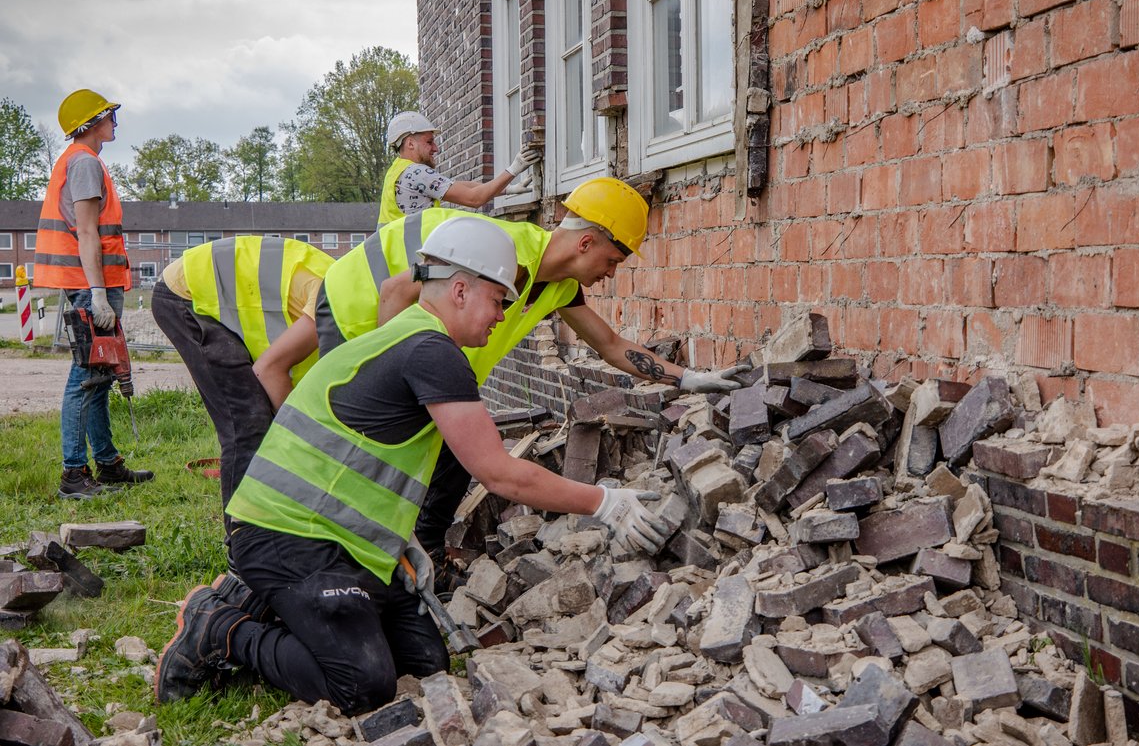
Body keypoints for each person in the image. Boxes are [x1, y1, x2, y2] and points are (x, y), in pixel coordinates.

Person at [153, 217, 669, 713]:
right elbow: (499, 473)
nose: (501, 316)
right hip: (287, 534)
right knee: (363, 684)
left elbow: (370, 463)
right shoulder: (429, 351)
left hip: (343, 539)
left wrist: (404, 538)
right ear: (460, 290)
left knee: (425, 665)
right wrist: (606, 503)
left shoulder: (417, 338)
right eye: (497, 301)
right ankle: (218, 627)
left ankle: (283, 610)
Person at [276, 177, 741, 578]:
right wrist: (393, 373)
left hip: (406, 332)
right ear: (586, 243)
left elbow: (611, 345)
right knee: (369, 443)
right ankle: (328, 552)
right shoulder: (500, 253)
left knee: (455, 453)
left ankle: (424, 556)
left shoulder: (559, 286)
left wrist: (690, 379)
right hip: (358, 307)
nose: (610, 274)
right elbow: (396, 289)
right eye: (612, 260)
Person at [150, 235, 334, 534]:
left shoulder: (347, 296)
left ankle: (270, 522)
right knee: (248, 421)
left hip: (213, 293)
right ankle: (242, 540)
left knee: (264, 417)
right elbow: (270, 369)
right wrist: (304, 444)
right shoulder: (332, 303)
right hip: (185, 295)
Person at [34, 89, 153, 500]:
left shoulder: (84, 162)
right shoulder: (84, 164)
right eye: (109, 116)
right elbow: (86, 231)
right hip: (91, 287)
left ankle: (106, 463)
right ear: (92, 123)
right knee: (86, 378)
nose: (115, 122)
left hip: (93, 284)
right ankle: (73, 474)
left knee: (100, 376)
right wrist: (98, 293)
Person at [376, 110, 540, 228]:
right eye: (429, 142)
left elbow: (459, 186)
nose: (435, 148)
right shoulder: (417, 173)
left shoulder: (397, 171)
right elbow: (474, 199)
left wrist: (507, 189)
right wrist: (513, 170)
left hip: (400, 261)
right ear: (410, 143)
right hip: (413, 261)